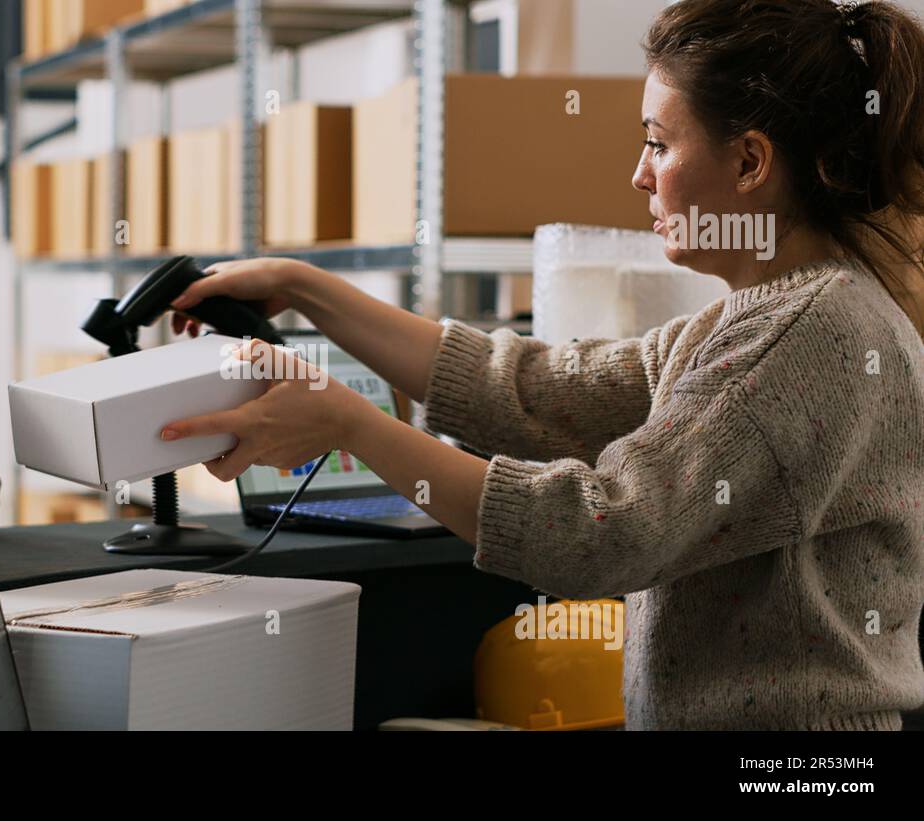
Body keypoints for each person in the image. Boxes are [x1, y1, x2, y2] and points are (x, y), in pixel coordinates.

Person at [163, 0, 924, 730]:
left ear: (751, 162)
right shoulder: (770, 316)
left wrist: (351, 423)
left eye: (659, 143)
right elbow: (535, 390)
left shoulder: (803, 335)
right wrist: (301, 285)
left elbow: (600, 530)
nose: (640, 174)